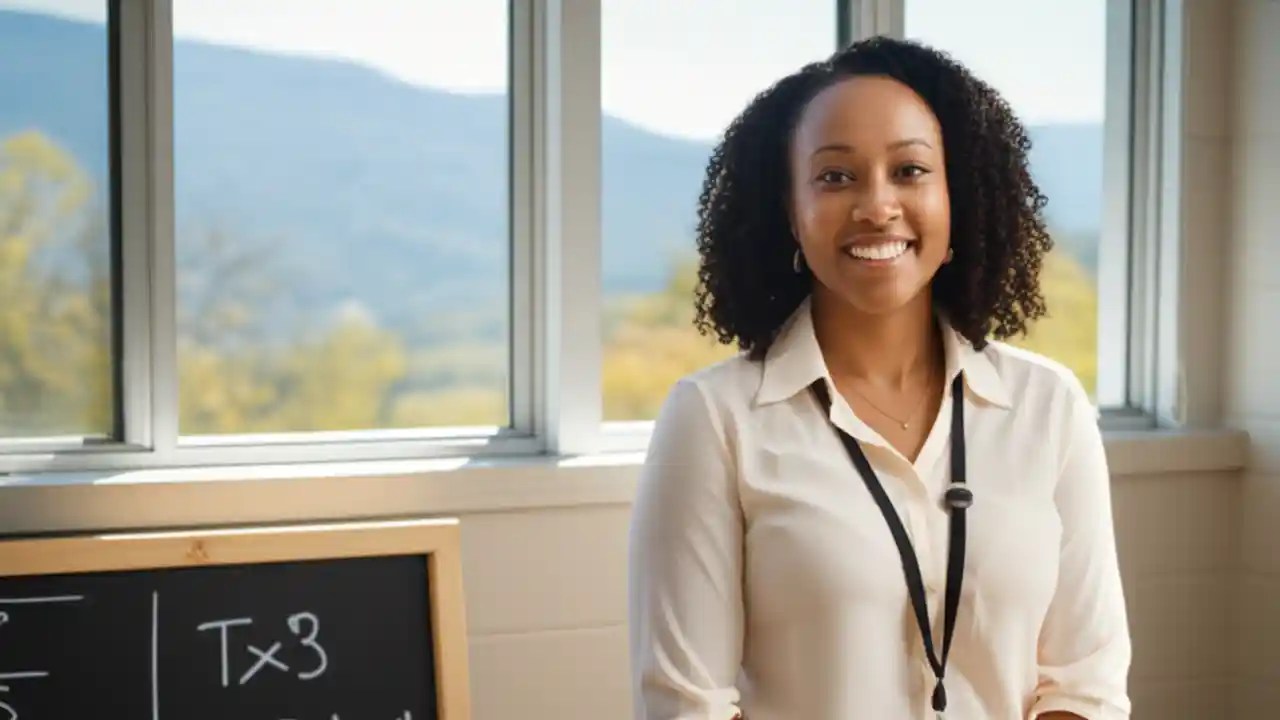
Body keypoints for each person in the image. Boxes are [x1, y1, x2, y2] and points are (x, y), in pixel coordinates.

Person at [627, 36, 1131, 720]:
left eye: (910, 170)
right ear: (788, 212)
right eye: (835, 177)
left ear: (961, 199)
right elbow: (687, 706)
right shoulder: (713, 418)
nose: (876, 205)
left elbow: (1085, 686)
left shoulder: (1049, 407)